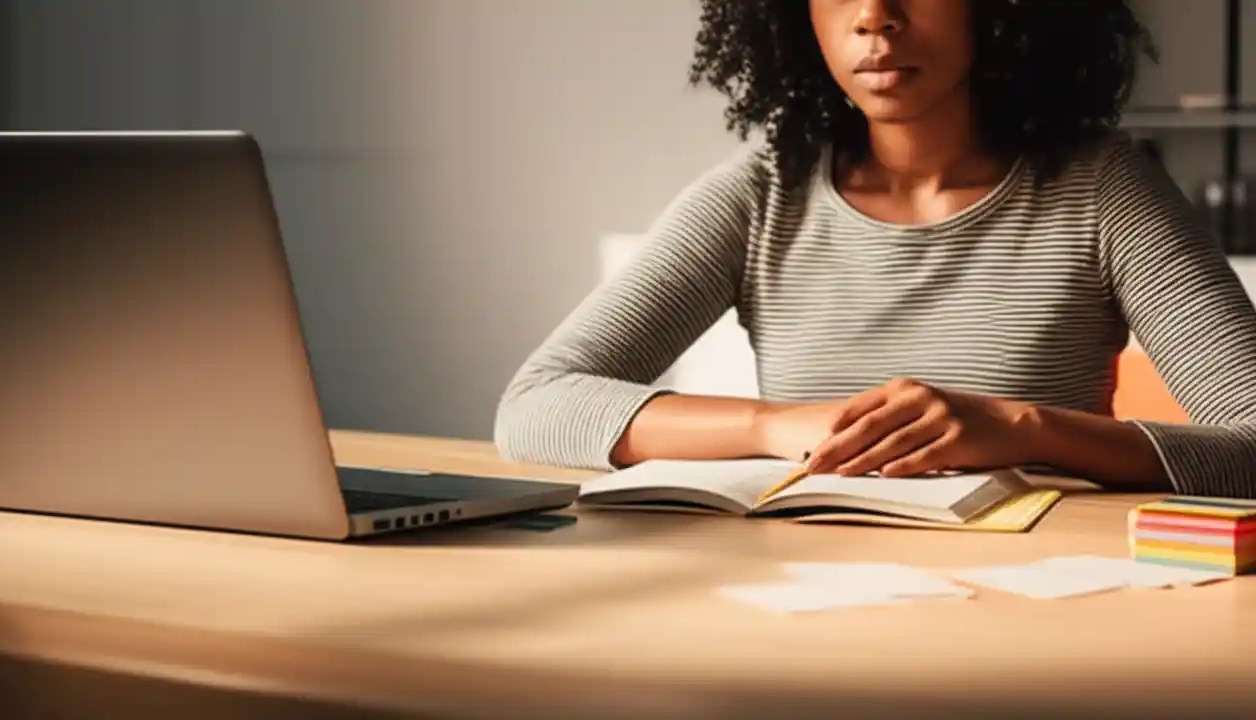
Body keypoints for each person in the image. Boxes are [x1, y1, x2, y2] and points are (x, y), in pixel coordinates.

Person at [494, 0, 1256, 498]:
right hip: (802, 605)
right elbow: (537, 407)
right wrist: (777, 425)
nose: (874, 17)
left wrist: (1023, 429)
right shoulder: (763, 196)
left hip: (1037, 609)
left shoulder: (1103, 191)